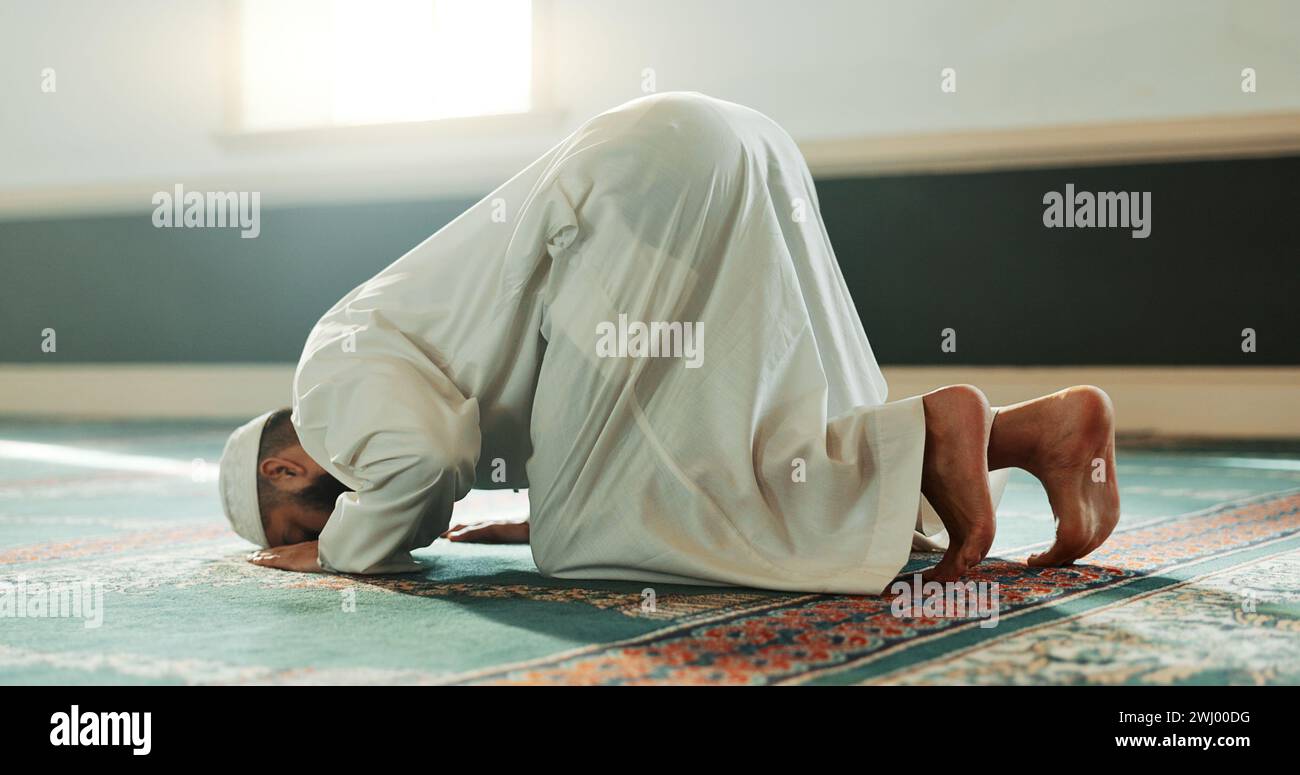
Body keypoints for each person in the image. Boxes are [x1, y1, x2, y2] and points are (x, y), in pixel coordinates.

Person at [218, 92, 1119, 594]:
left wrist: (339, 553)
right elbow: (488, 402)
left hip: (643, 177)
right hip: (721, 141)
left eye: (299, 524)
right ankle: (1026, 432)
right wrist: (559, 491)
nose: (323, 528)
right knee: (742, 434)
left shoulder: (326, 377)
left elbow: (419, 452)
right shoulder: (370, 339)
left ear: (289, 472)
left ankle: (953, 431)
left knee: (586, 542)